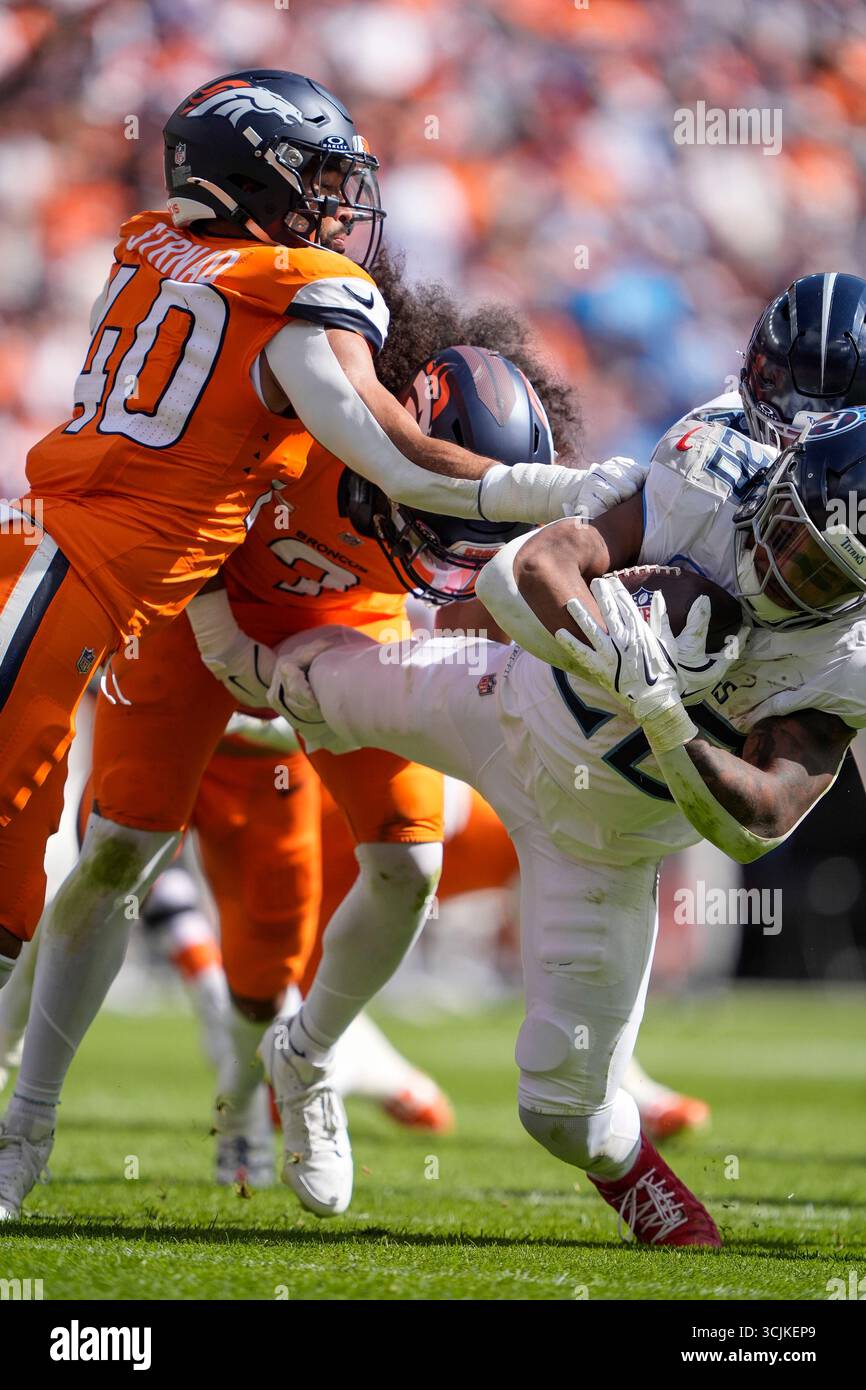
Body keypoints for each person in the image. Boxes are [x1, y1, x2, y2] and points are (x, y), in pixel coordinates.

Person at [0, 67, 606, 983]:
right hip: (86, 566)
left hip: (70, 546)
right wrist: (575, 492)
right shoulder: (303, 289)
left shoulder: (148, 241)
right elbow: (401, 458)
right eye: (315, 178)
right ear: (246, 178)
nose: (335, 205)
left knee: (13, 868)